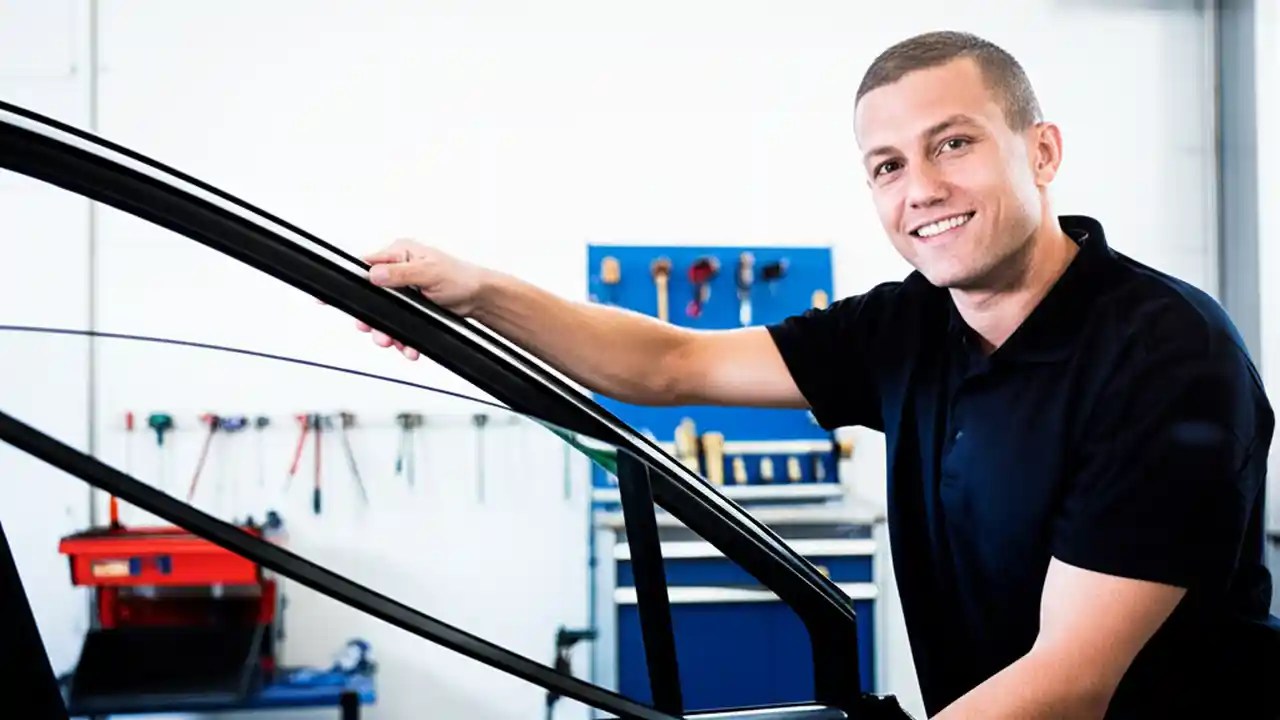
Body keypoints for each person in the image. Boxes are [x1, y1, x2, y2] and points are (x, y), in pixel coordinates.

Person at [351, 31, 1278, 719]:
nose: (920, 188)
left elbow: (1071, 680)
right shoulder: (909, 324)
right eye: (887, 165)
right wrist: (476, 292)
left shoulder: (1166, 357)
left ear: (1041, 152)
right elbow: (670, 364)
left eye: (953, 144)